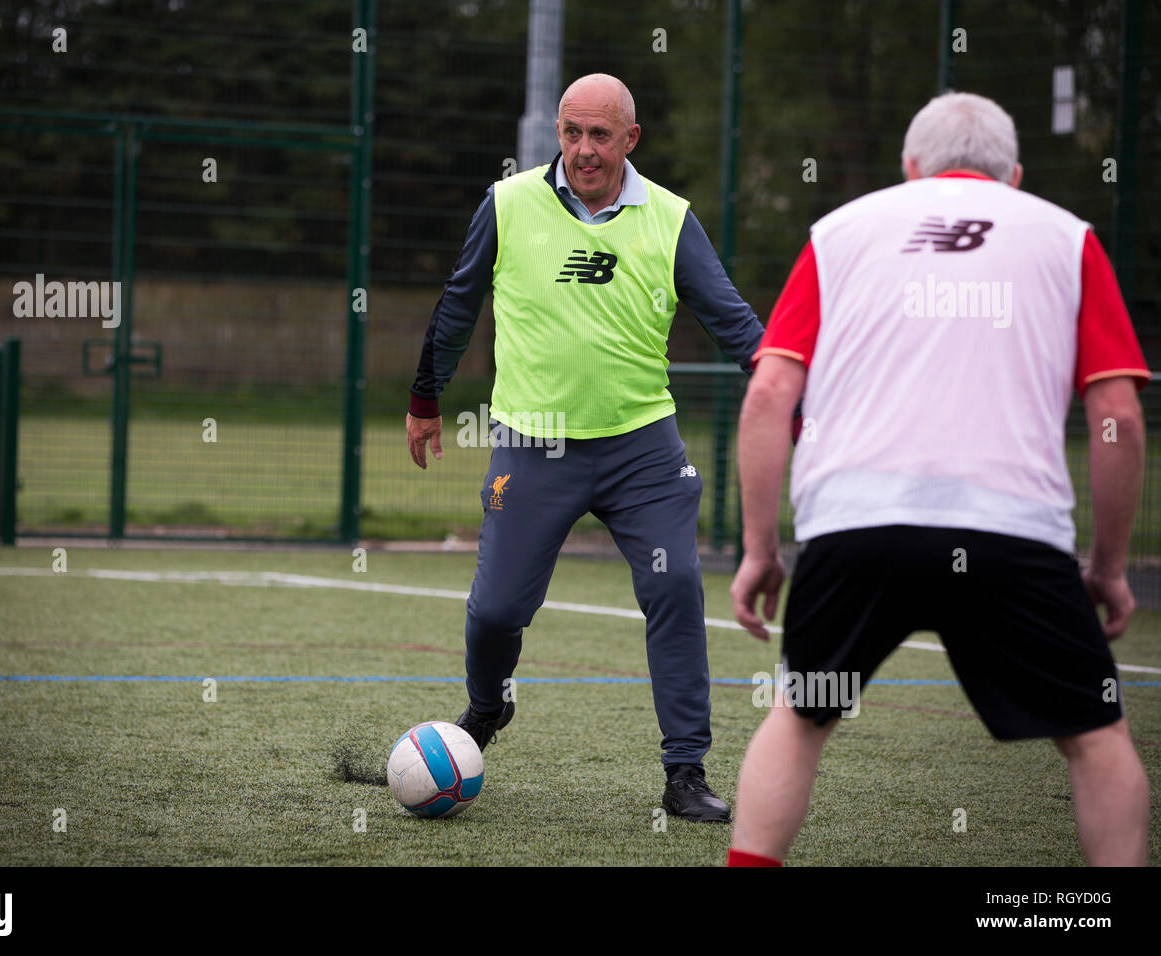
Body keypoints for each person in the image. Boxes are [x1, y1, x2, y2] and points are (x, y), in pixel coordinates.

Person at [727, 91, 1150, 865]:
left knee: (800, 716)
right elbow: (1116, 412)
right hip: (1010, 529)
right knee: (1095, 738)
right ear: (1014, 175)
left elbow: (767, 395)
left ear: (910, 166)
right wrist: (1109, 567)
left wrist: (760, 549)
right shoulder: (1068, 238)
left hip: (858, 522)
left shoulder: (838, 232)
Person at [406, 73, 764, 820]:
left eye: (601, 134)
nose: (584, 149)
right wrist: (425, 398)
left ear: (630, 139)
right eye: (572, 132)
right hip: (532, 448)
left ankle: (685, 771)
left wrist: (784, 388)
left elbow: (732, 320)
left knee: (675, 589)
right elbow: (459, 302)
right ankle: (487, 706)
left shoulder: (670, 218)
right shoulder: (507, 203)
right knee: (496, 611)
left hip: (644, 453)